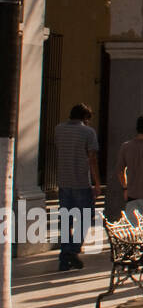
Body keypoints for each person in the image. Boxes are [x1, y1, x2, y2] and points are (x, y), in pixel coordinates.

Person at [54, 103, 101, 271]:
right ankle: (73, 250)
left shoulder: (59, 129)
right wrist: (96, 182)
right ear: (86, 118)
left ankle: (65, 254)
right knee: (85, 218)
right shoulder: (88, 132)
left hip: (64, 181)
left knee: (66, 219)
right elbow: (92, 159)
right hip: (81, 182)